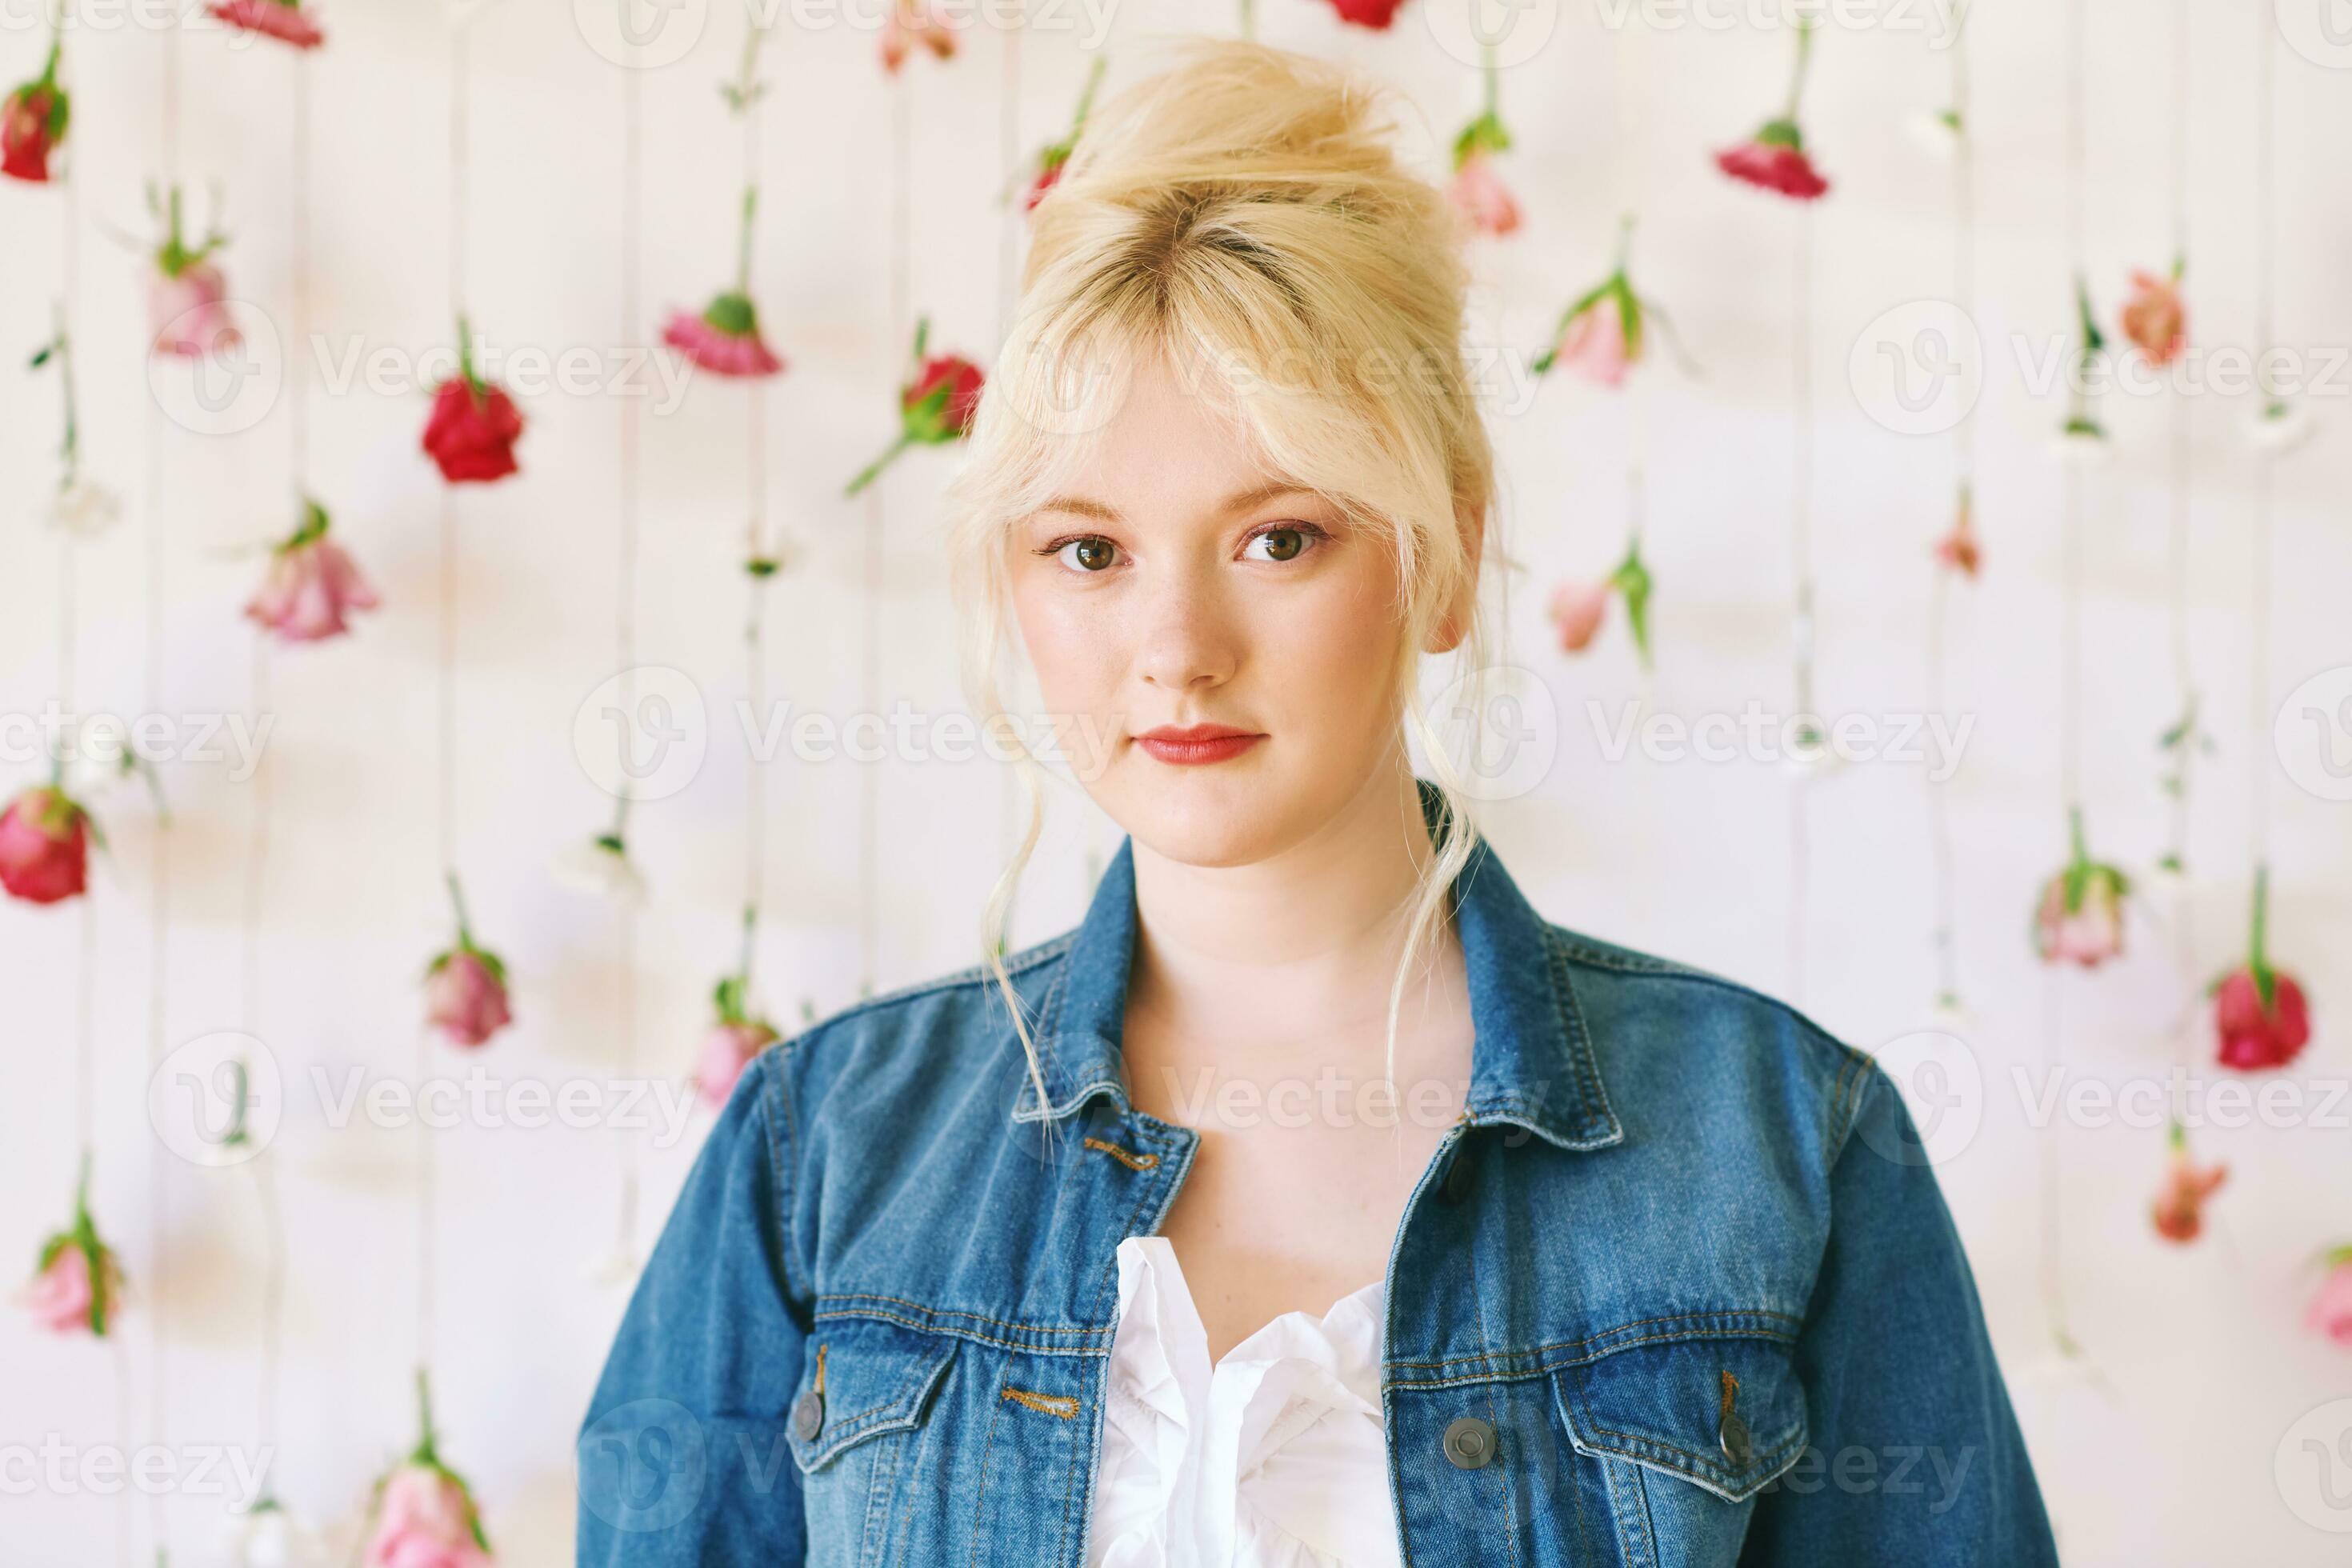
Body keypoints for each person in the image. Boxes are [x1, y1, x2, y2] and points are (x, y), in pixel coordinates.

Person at [577, 37, 2058, 1566]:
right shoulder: (820, 1150)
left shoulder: (1781, 1140)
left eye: (1280, 538)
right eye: (1089, 551)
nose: (1176, 654)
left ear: (1443, 556)